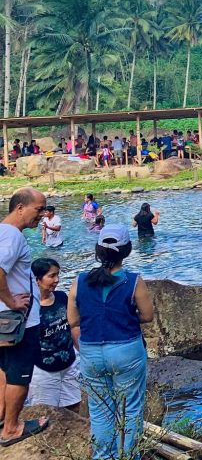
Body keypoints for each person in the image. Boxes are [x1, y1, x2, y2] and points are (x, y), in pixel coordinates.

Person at [68, 223, 154, 460]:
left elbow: (73, 320)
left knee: (100, 410)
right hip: (126, 350)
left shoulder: (79, 280)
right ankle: (128, 456)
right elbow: (147, 316)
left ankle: (103, 457)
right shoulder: (134, 281)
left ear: (98, 250)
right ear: (127, 251)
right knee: (131, 408)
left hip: (91, 352)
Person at [0, 188, 49, 446]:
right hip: (18, 320)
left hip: (4, 319)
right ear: (20, 207)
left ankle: (2, 418)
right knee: (19, 374)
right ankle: (12, 428)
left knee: (4, 369)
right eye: (39, 209)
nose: (42, 215)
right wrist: (11, 300)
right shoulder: (12, 236)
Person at [26, 258, 79, 412]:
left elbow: (73, 326)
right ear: (37, 279)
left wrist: (83, 350)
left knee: (74, 407)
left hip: (69, 364)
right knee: (46, 413)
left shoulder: (62, 297)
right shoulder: (28, 306)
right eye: (52, 276)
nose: (57, 280)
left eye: (58, 275)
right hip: (42, 370)